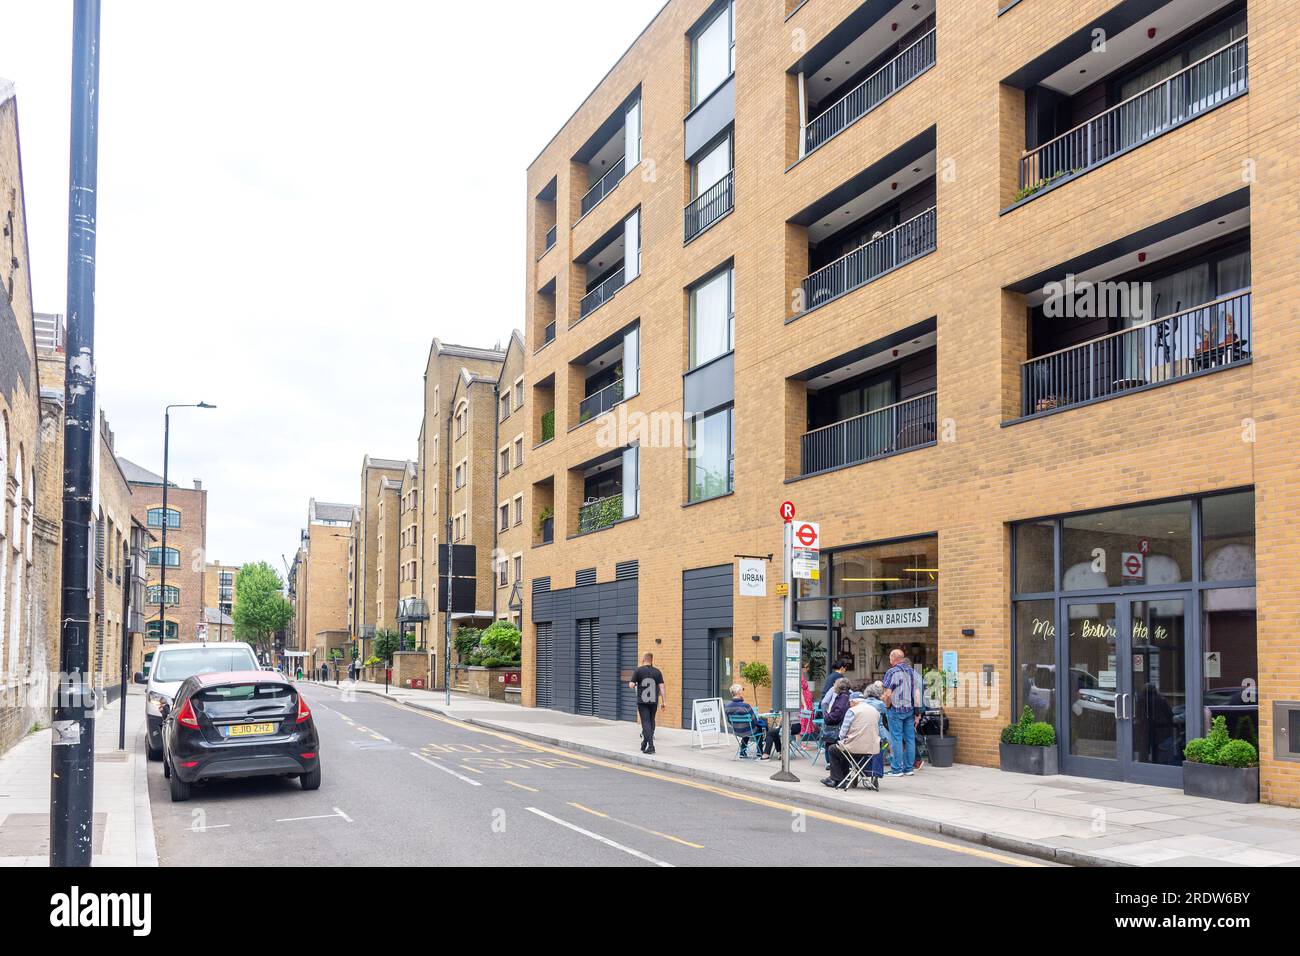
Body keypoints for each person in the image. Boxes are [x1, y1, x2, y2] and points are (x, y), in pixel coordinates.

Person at [833, 679, 884, 789]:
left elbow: (842, 733)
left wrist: (841, 740)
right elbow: (879, 729)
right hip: (872, 749)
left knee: (834, 749)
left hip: (854, 748)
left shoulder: (852, 711)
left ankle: (839, 779)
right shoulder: (875, 711)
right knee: (847, 748)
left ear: (853, 701)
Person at [882, 649, 922, 776]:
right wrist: (917, 712)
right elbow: (917, 693)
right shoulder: (912, 671)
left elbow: (887, 693)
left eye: (890, 658)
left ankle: (897, 769)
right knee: (910, 739)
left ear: (894, 658)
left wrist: (887, 705)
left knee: (896, 739)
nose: (889, 661)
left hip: (895, 710)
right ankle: (908, 769)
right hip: (909, 710)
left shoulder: (891, 672)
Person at [628, 652, 666, 755]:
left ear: (643, 659)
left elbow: (631, 685)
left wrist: (634, 682)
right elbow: (662, 687)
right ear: (651, 660)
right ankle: (644, 742)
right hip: (654, 701)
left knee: (645, 723)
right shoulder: (657, 672)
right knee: (651, 721)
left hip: (643, 701)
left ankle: (651, 746)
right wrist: (664, 702)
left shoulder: (638, 671)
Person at [819, 677, 851, 787]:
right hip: (842, 730)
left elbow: (836, 715)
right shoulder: (846, 696)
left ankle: (836, 778)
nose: (833, 688)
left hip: (838, 731)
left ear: (839, 687)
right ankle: (840, 777)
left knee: (833, 750)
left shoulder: (842, 698)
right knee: (838, 753)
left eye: (835, 686)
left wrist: (827, 716)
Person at [724, 685, 770, 759]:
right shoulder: (746, 706)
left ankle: (742, 751)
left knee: (747, 727)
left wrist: (737, 725)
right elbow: (754, 720)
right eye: (742, 690)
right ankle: (759, 751)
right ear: (739, 692)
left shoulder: (727, 706)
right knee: (757, 728)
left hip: (737, 731)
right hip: (748, 730)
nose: (742, 692)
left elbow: (729, 720)